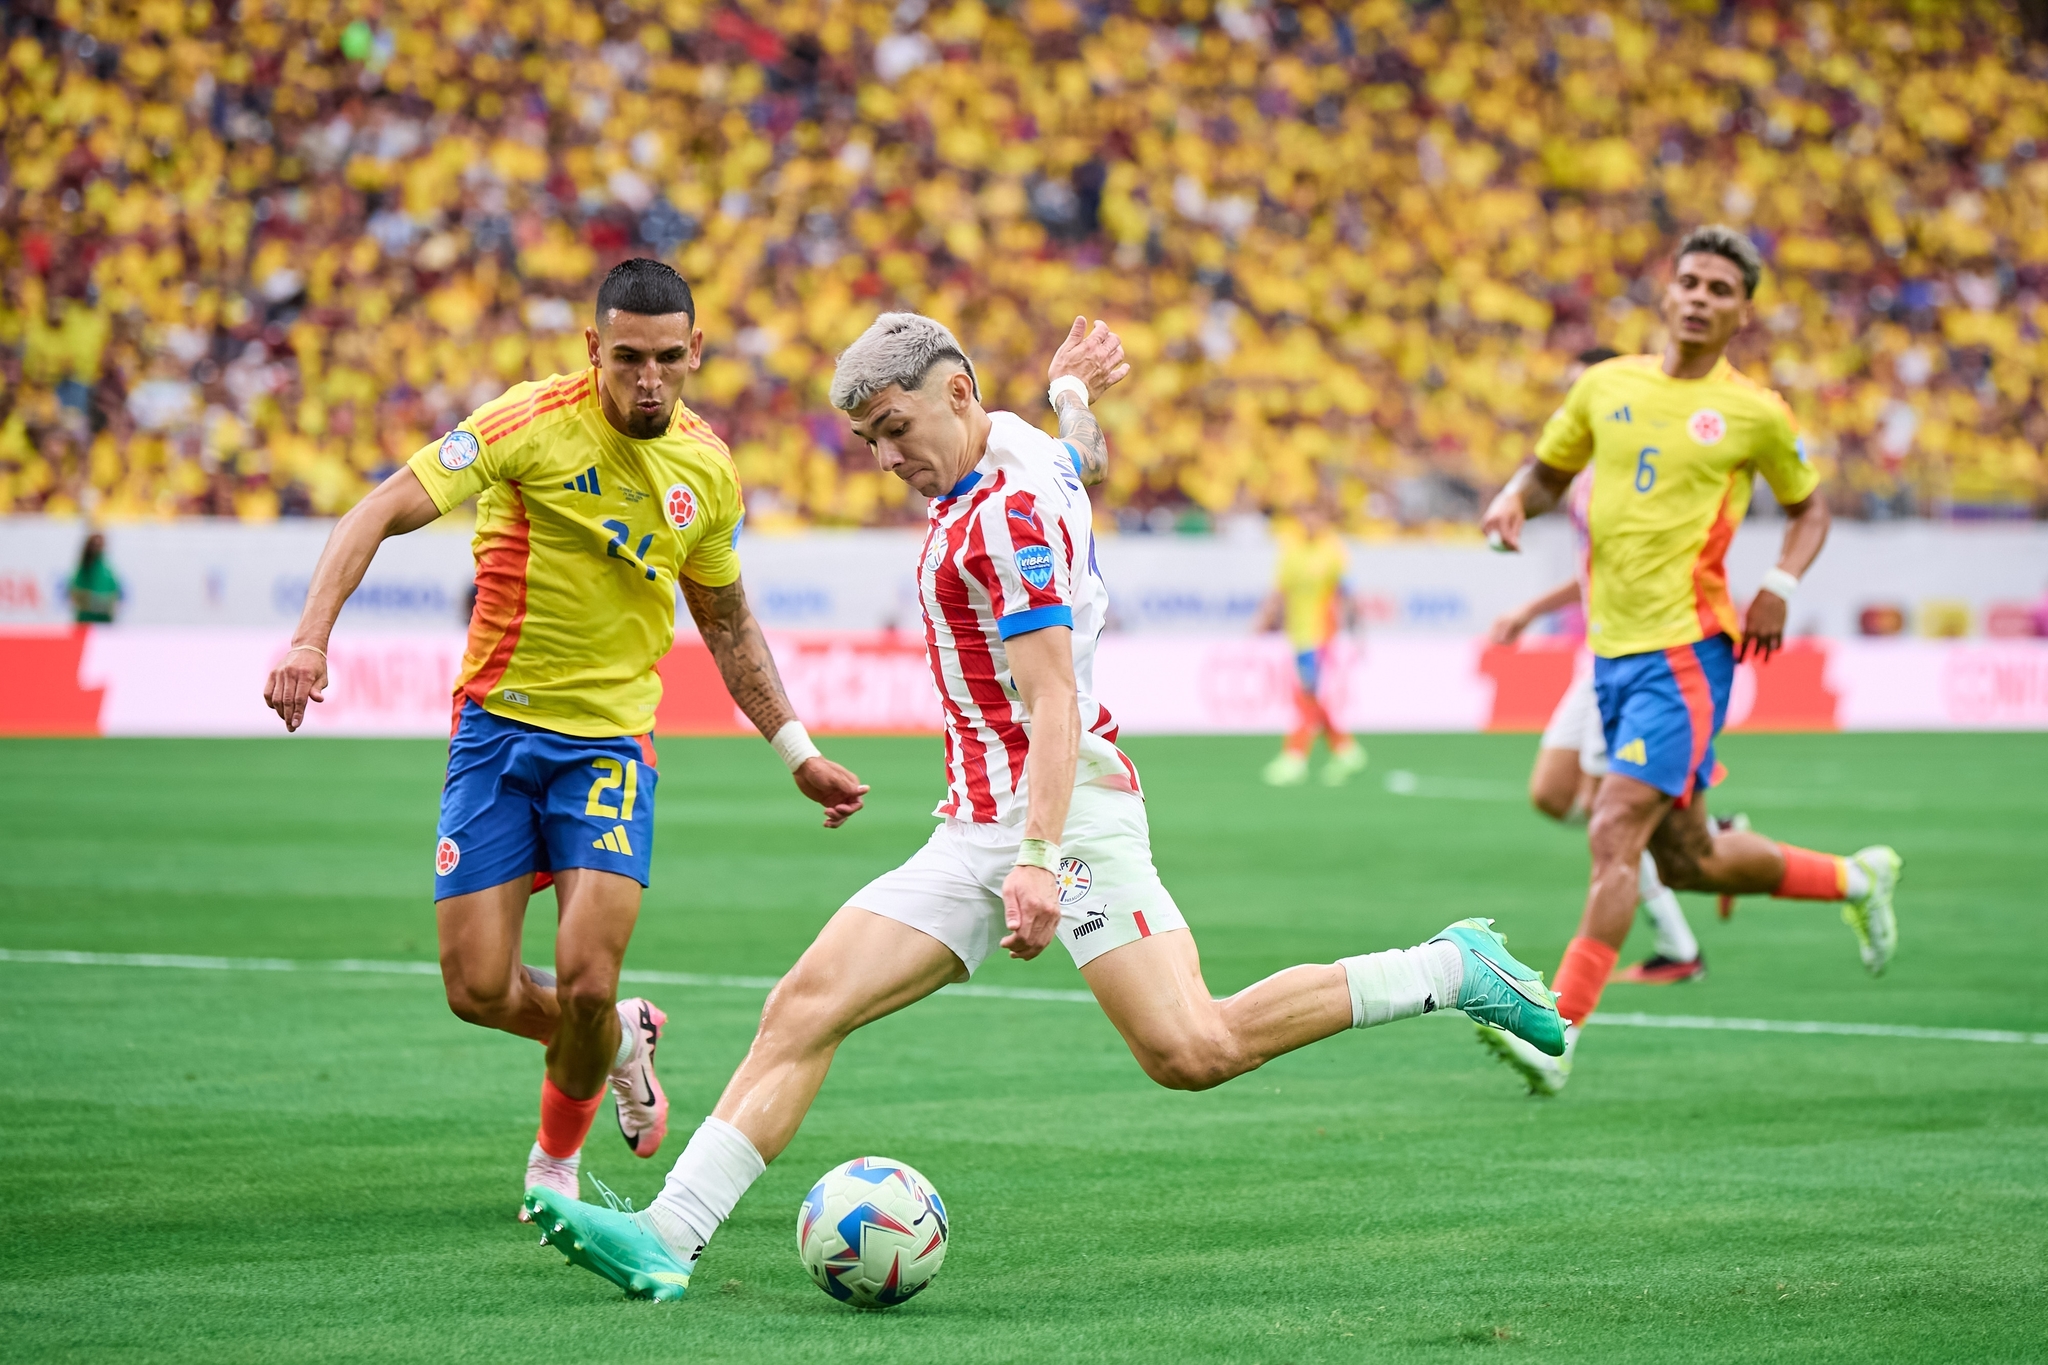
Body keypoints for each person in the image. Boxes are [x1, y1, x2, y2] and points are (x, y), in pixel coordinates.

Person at [522, 312, 1568, 1302]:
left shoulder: (1003, 520)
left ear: (957, 394)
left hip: (1061, 818)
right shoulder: (1019, 441)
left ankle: (1448, 966)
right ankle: (668, 1237)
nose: (885, 459)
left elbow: (1055, 699)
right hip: (974, 824)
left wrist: (1038, 857)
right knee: (802, 1006)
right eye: (867, 441)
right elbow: (1084, 459)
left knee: (1189, 1049)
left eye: (893, 430)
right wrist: (1072, 393)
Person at [261, 259, 870, 1210]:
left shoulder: (705, 470)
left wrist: (797, 748)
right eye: (628, 358)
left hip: (610, 748)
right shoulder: (527, 422)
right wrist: (309, 639)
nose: (649, 379)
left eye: (670, 358)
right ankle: (625, 1039)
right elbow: (378, 510)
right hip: (495, 736)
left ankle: (554, 1162)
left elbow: (728, 622)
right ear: (595, 349)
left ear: (696, 351)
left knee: (584, 979)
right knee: (478, 989)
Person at [1476, 226, 1902, 1096]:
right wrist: (1515, 498)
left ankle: (1558, 1030)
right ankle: (1857, 877)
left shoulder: (1755, 411)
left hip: (1689, 652)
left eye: (1721, 288)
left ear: (1742, 312)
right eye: (1691, 281)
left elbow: (1809, 509)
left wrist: (1781, 580)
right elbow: (1552, 472)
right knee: (1691, 859)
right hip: (1608, 655)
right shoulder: (1606, 385)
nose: (1703, 296)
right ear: (1666, 293)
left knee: (1613, 826)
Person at [1489, 344, 1705, 986]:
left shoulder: (1638, 468)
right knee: (1553, 794)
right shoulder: (1584, 469)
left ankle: (1677, 942)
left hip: (1636, 656)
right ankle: (1693, 831)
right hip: (1598, 654)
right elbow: (1594, 571)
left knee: (1599, 803)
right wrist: (1531, 608)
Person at [1253, 500, 1368, 787]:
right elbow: (1279, 591)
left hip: (1322, 635)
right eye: (1304, 515)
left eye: (1314, 514)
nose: (1309, 521)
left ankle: (1295, 756)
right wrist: (1263, 620)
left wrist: (1356, 628)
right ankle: (1346, 749)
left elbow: (1348, 592)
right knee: (1312, 695)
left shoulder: (1333, 550)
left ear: (1324, 518)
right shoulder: (1291, 550)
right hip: (1298, 635)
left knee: (1307, 694)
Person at [69, 532, 121, 623]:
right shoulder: (83, 569)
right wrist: (100, 603)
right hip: (86, 622)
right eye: (94, 545)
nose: (97, 548)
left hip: (104, 623)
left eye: (100, 545)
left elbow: (114, 597)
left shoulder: (107, 570)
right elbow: (76, 596)